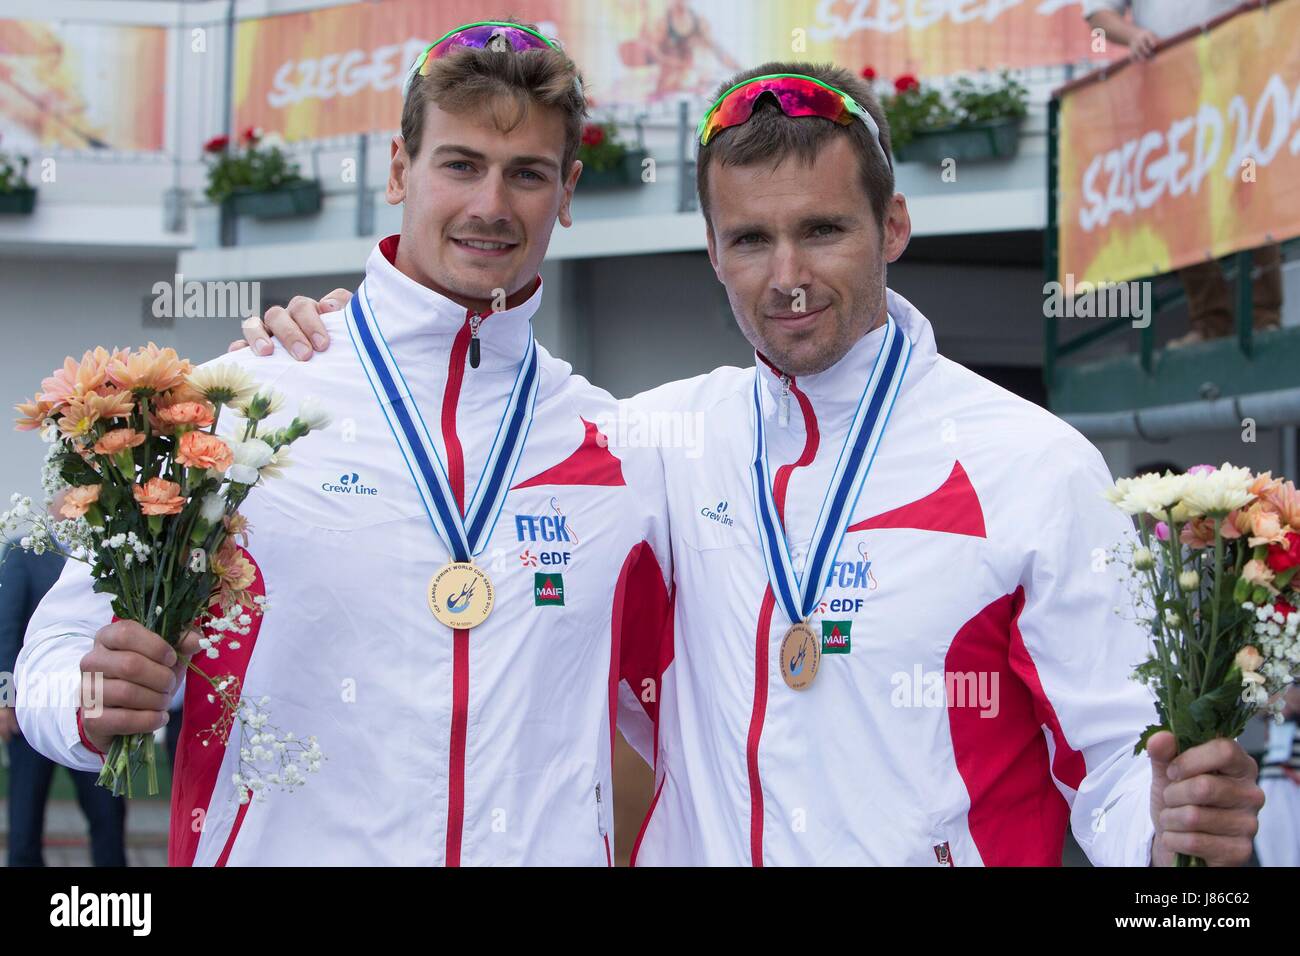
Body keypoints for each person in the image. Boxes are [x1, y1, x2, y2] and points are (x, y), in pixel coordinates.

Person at [246, 61, 1266, 865]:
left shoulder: (1036, 464)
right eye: (750, 239)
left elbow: (1121, 757)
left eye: (821, 230)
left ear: (892, 226)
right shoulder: (649, 440)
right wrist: (344, 338)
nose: (786, 278)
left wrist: (1174, 828)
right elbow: (457, 407)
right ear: (711, 250)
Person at [15, 21, 671, 866]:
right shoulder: (237, 405)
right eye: (460, 164)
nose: (490, 206)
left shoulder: (618, 448)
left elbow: (704, 717)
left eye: (528, 174)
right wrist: (92, 698)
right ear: (399, 170)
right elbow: (54, 657)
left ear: (569, 190)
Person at [1083, 0, 1283, 348]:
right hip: (1171, 90)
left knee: (1249, 190)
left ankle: (1264, 318)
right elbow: (1098, 18)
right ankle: (1210, 323)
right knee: (1183, 202)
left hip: (1241, 78)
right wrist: (1135, 36)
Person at [2, 537, 126, 866]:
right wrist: (4, 700)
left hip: (95, 702)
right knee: (25, 817)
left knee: (107, 814)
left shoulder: (115, 539)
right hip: (32, 707)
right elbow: (5, 627)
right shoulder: (24, 551)